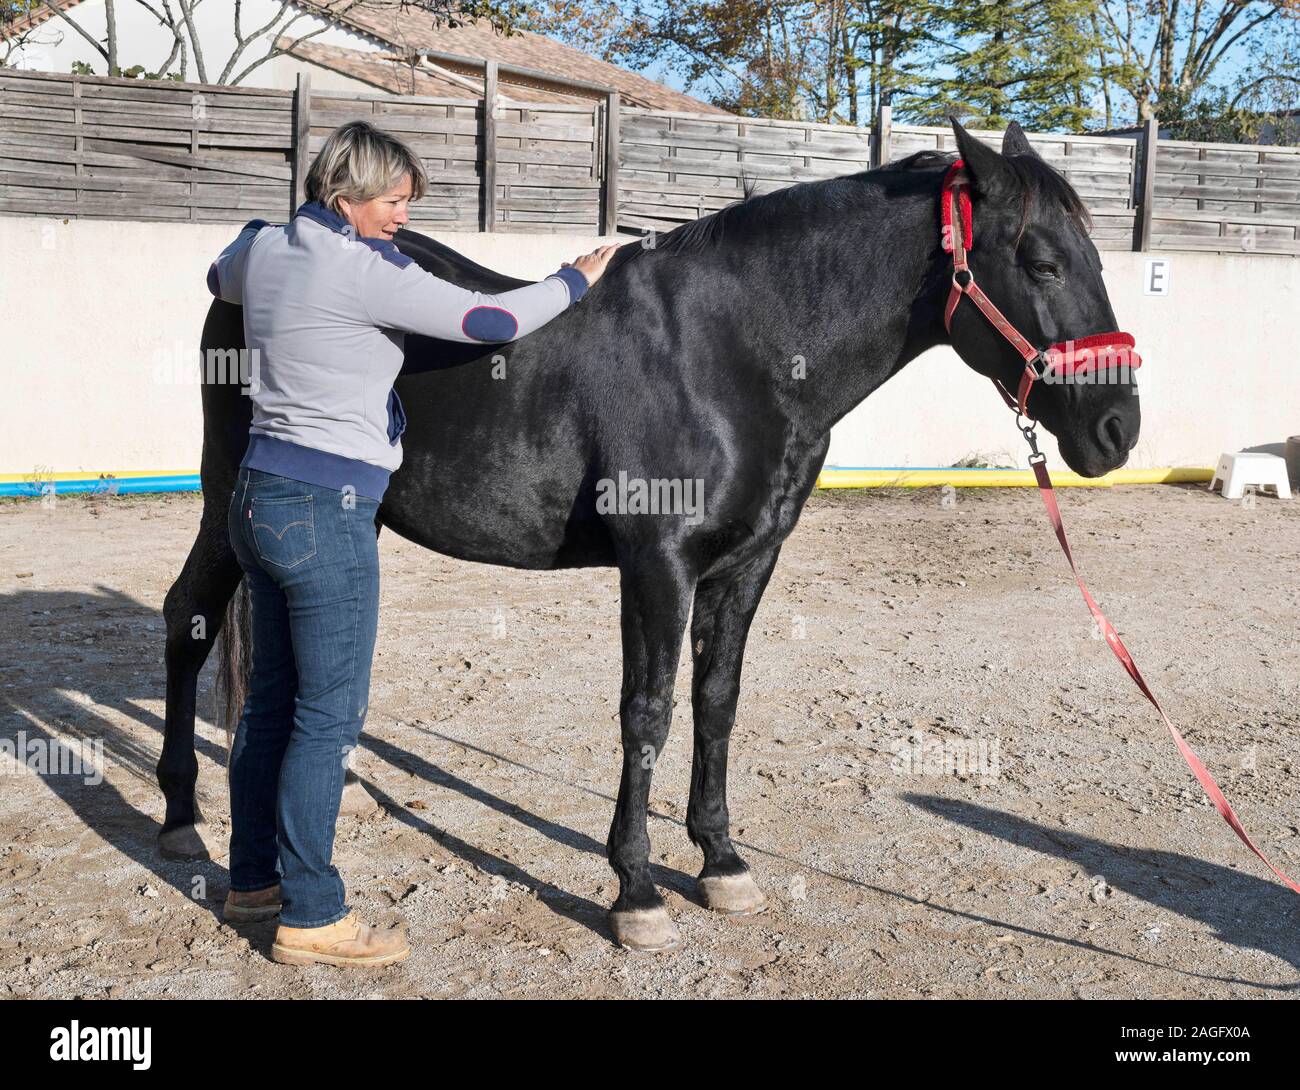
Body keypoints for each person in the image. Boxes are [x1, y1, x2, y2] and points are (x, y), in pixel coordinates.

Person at [209, 120, 618, 968]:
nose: (403, 217)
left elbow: (219, 270)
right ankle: (314, 915)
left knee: (274, 699)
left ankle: (253, 880)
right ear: (348, 195)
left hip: (257, 495)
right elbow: (493, 318)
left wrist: (263, 234)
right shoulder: (363, 272)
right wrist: (573, 282)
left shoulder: (268, 250)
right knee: (326, 719)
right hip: (327, 504)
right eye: (394, 201)